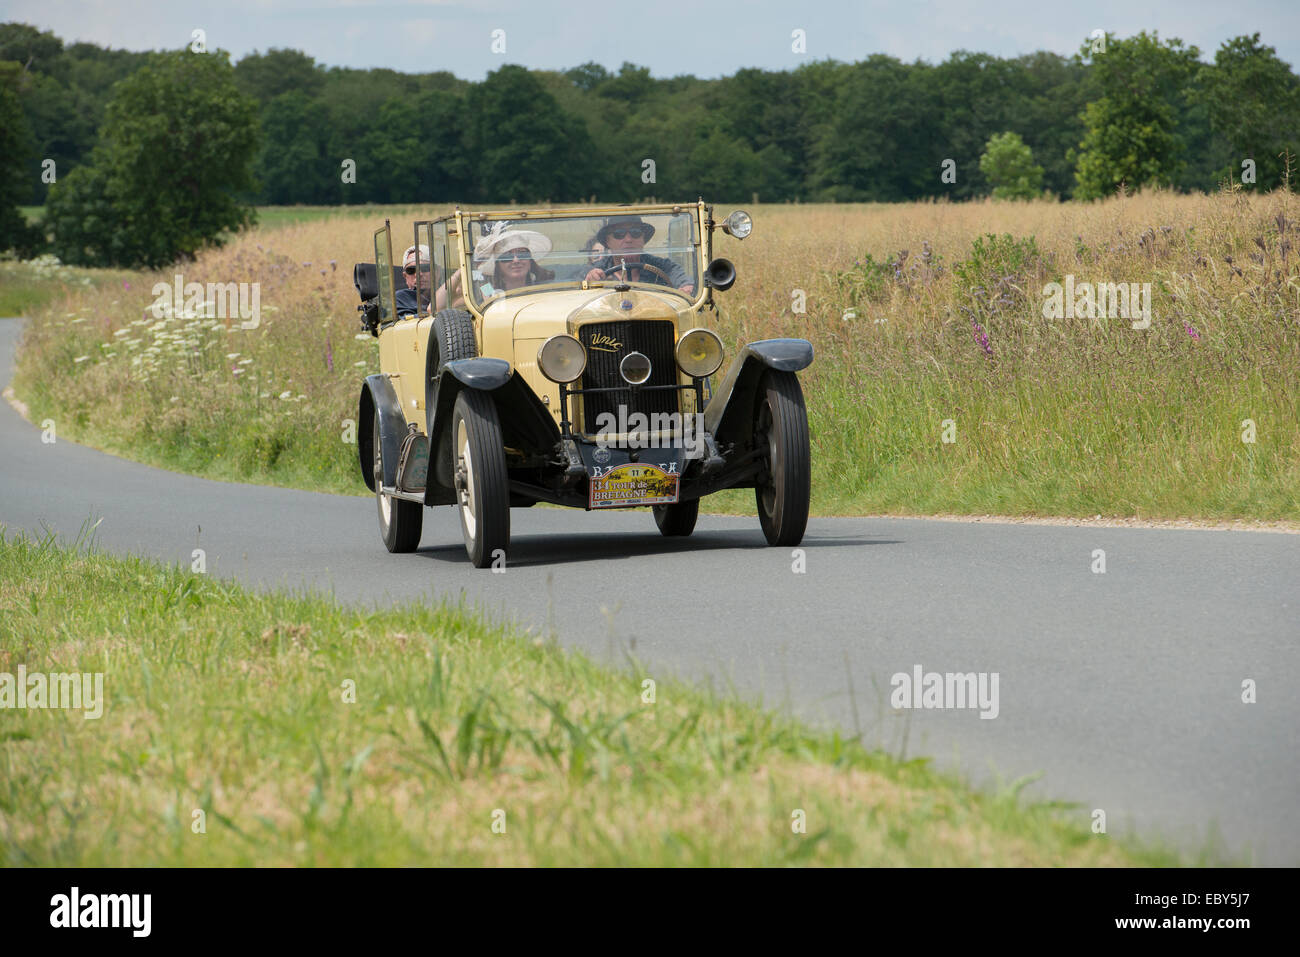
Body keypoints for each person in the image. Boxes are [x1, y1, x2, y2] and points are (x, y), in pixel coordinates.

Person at [434, 225, 553, 310]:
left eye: (522, 254)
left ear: (530, 260)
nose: (516, 260)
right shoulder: (487, 290)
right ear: (497, 264)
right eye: (507, 256)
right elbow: (435, 307)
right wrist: (465, 268)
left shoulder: (542, 288)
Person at [584, 215, 695, 295]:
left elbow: (682, 278)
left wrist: (687, 287)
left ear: (643, 239)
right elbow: (574, 287)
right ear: (607, 241)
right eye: (619, 234)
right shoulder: (597, 269)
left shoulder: (662, 266)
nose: (628, 239)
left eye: (635, 233)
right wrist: (589, 279)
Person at [395, 243, 432, 316]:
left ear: (437, 271)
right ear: (405, 277)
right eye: (411, 270)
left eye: (425, 268)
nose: (418, 274)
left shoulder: (450, 294)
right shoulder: (400, 299)